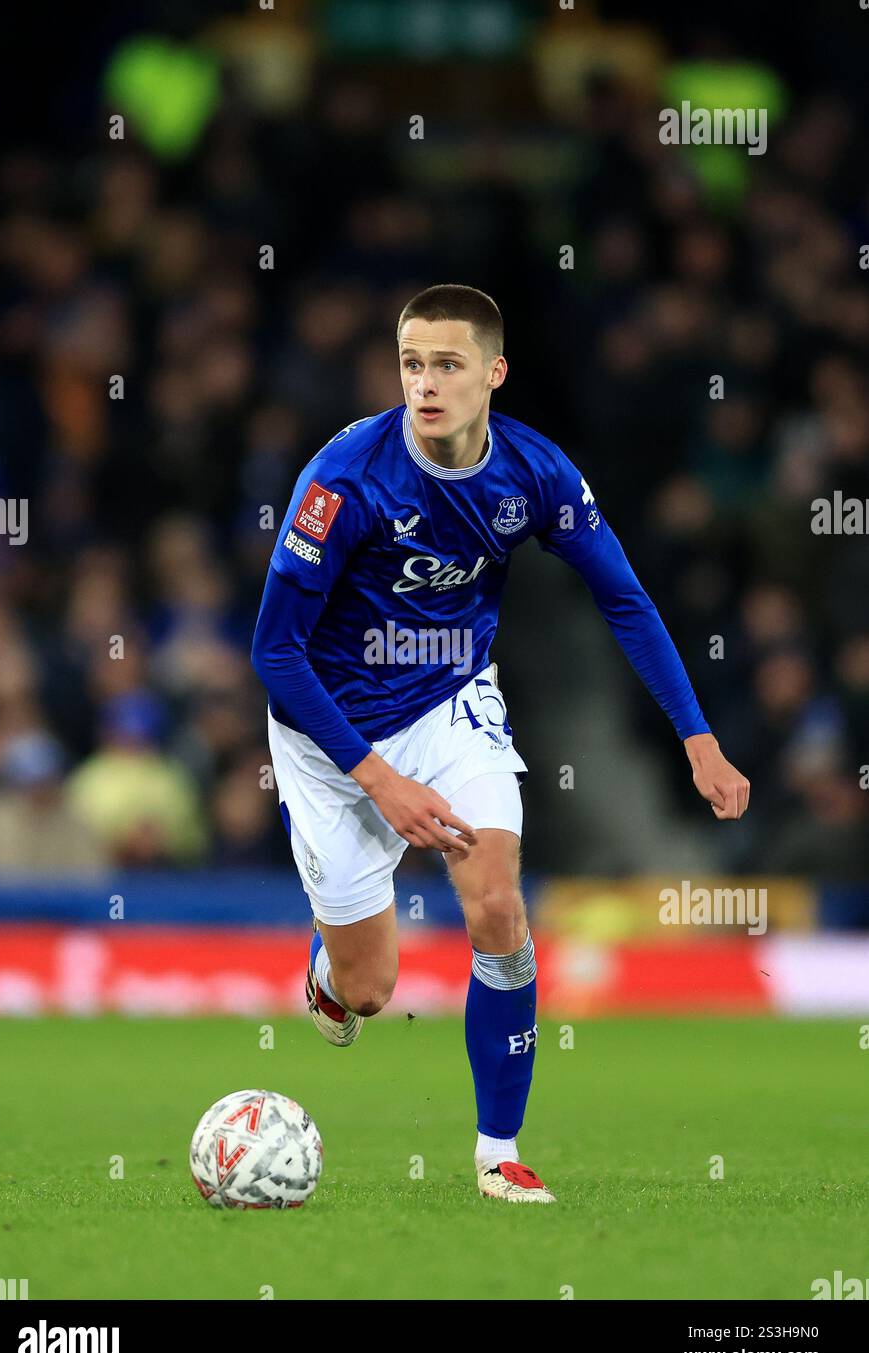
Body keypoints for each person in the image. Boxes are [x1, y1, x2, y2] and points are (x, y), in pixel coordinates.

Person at [251, 283, 750, 1203]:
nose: (426, 385)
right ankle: (331, 968)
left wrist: (698, 739)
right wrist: (378, 779)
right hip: (329, 731)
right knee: (367, 994)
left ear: (494, 373)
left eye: (447, 365)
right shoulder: (343, 478)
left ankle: (497, 1153)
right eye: (411, 364)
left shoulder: (536, 474)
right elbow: (273, 652)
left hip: (451, 705)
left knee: (496, 908)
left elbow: (624, 600)